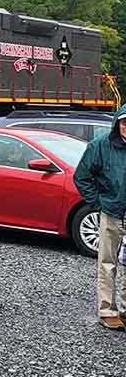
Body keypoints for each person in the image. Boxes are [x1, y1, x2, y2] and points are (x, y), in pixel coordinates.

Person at [74, 105, 126, 330]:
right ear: (117, 124)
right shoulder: (100, 146)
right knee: (107, 263)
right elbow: (82, 176)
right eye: (124, 123)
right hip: (111, 214)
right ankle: (107, 310)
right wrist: (99, 202)